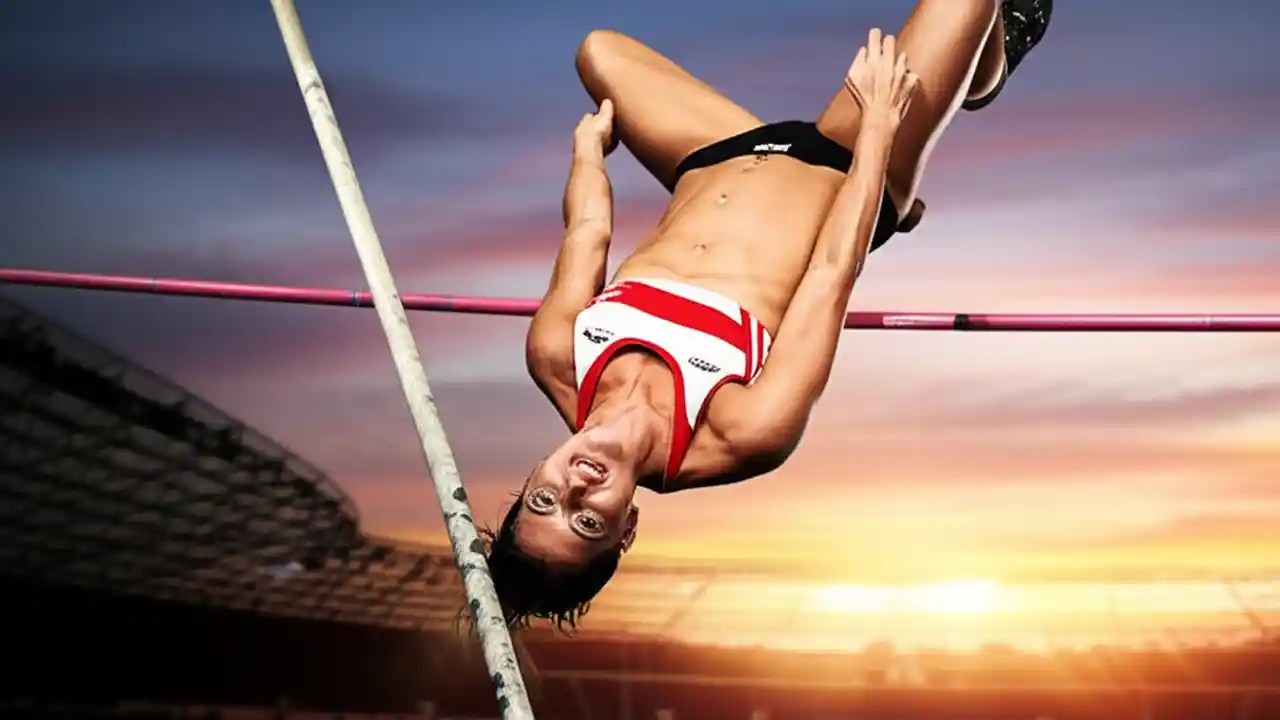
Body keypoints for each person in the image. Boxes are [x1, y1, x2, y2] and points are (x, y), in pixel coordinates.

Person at [483, 0, 1053, 629]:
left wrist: (589, 151)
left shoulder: (558, 358)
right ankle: (983, 70)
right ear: (627, 529)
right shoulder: (738, 433)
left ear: (531, 478)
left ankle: (971, 70)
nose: (576, 488)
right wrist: (881, 133)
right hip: (844, 166)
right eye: (587, 521)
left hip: (712, 157)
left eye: (544, 500)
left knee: (597, 51)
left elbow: (588, 231)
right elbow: (833, 269)